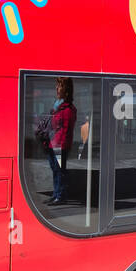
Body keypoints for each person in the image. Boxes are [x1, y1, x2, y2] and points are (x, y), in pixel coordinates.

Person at [45, 77, 76, 205]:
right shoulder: (58, 106)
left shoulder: (68, 109)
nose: (57, 89)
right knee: (55, 170)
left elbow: (66, 130)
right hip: (53, 143)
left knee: (60, 171)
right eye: (57, 85)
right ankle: (56, 193)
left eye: (60, 86)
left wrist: (59, 147)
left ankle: (60, 195)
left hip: (60, 145)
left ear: (67, 90)